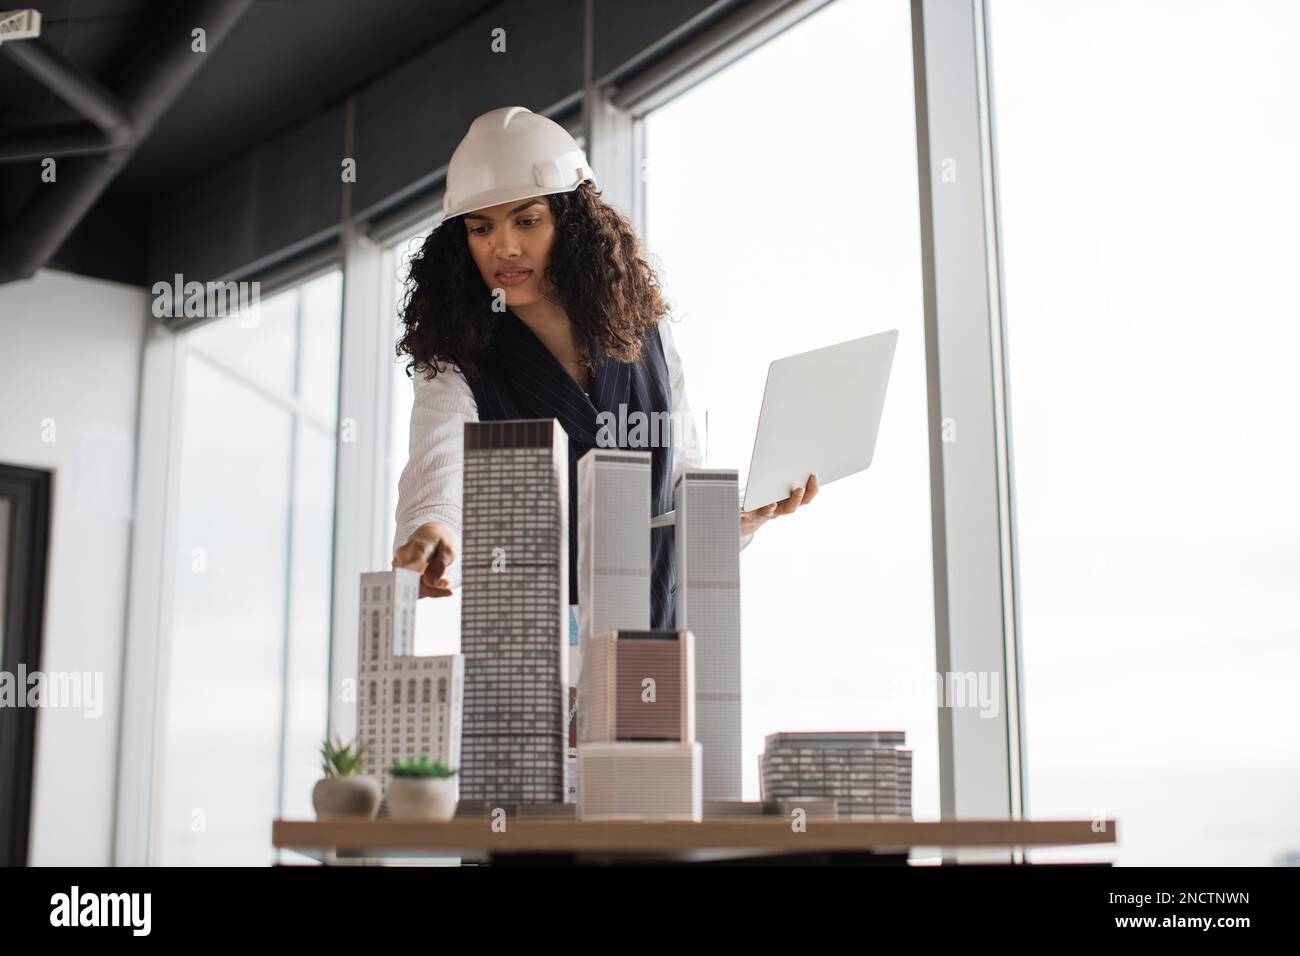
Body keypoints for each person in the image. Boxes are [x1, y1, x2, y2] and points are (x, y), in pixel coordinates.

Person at [391, 105, 815, 628]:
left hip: (660, 640)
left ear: (570, 225)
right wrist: (432, 527)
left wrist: (738, 517)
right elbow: (441, 461)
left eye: (527, 220)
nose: (504, 246)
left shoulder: (649, 335)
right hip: (536, 662)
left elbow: (681, 478)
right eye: (481, 229)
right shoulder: (457, 359)